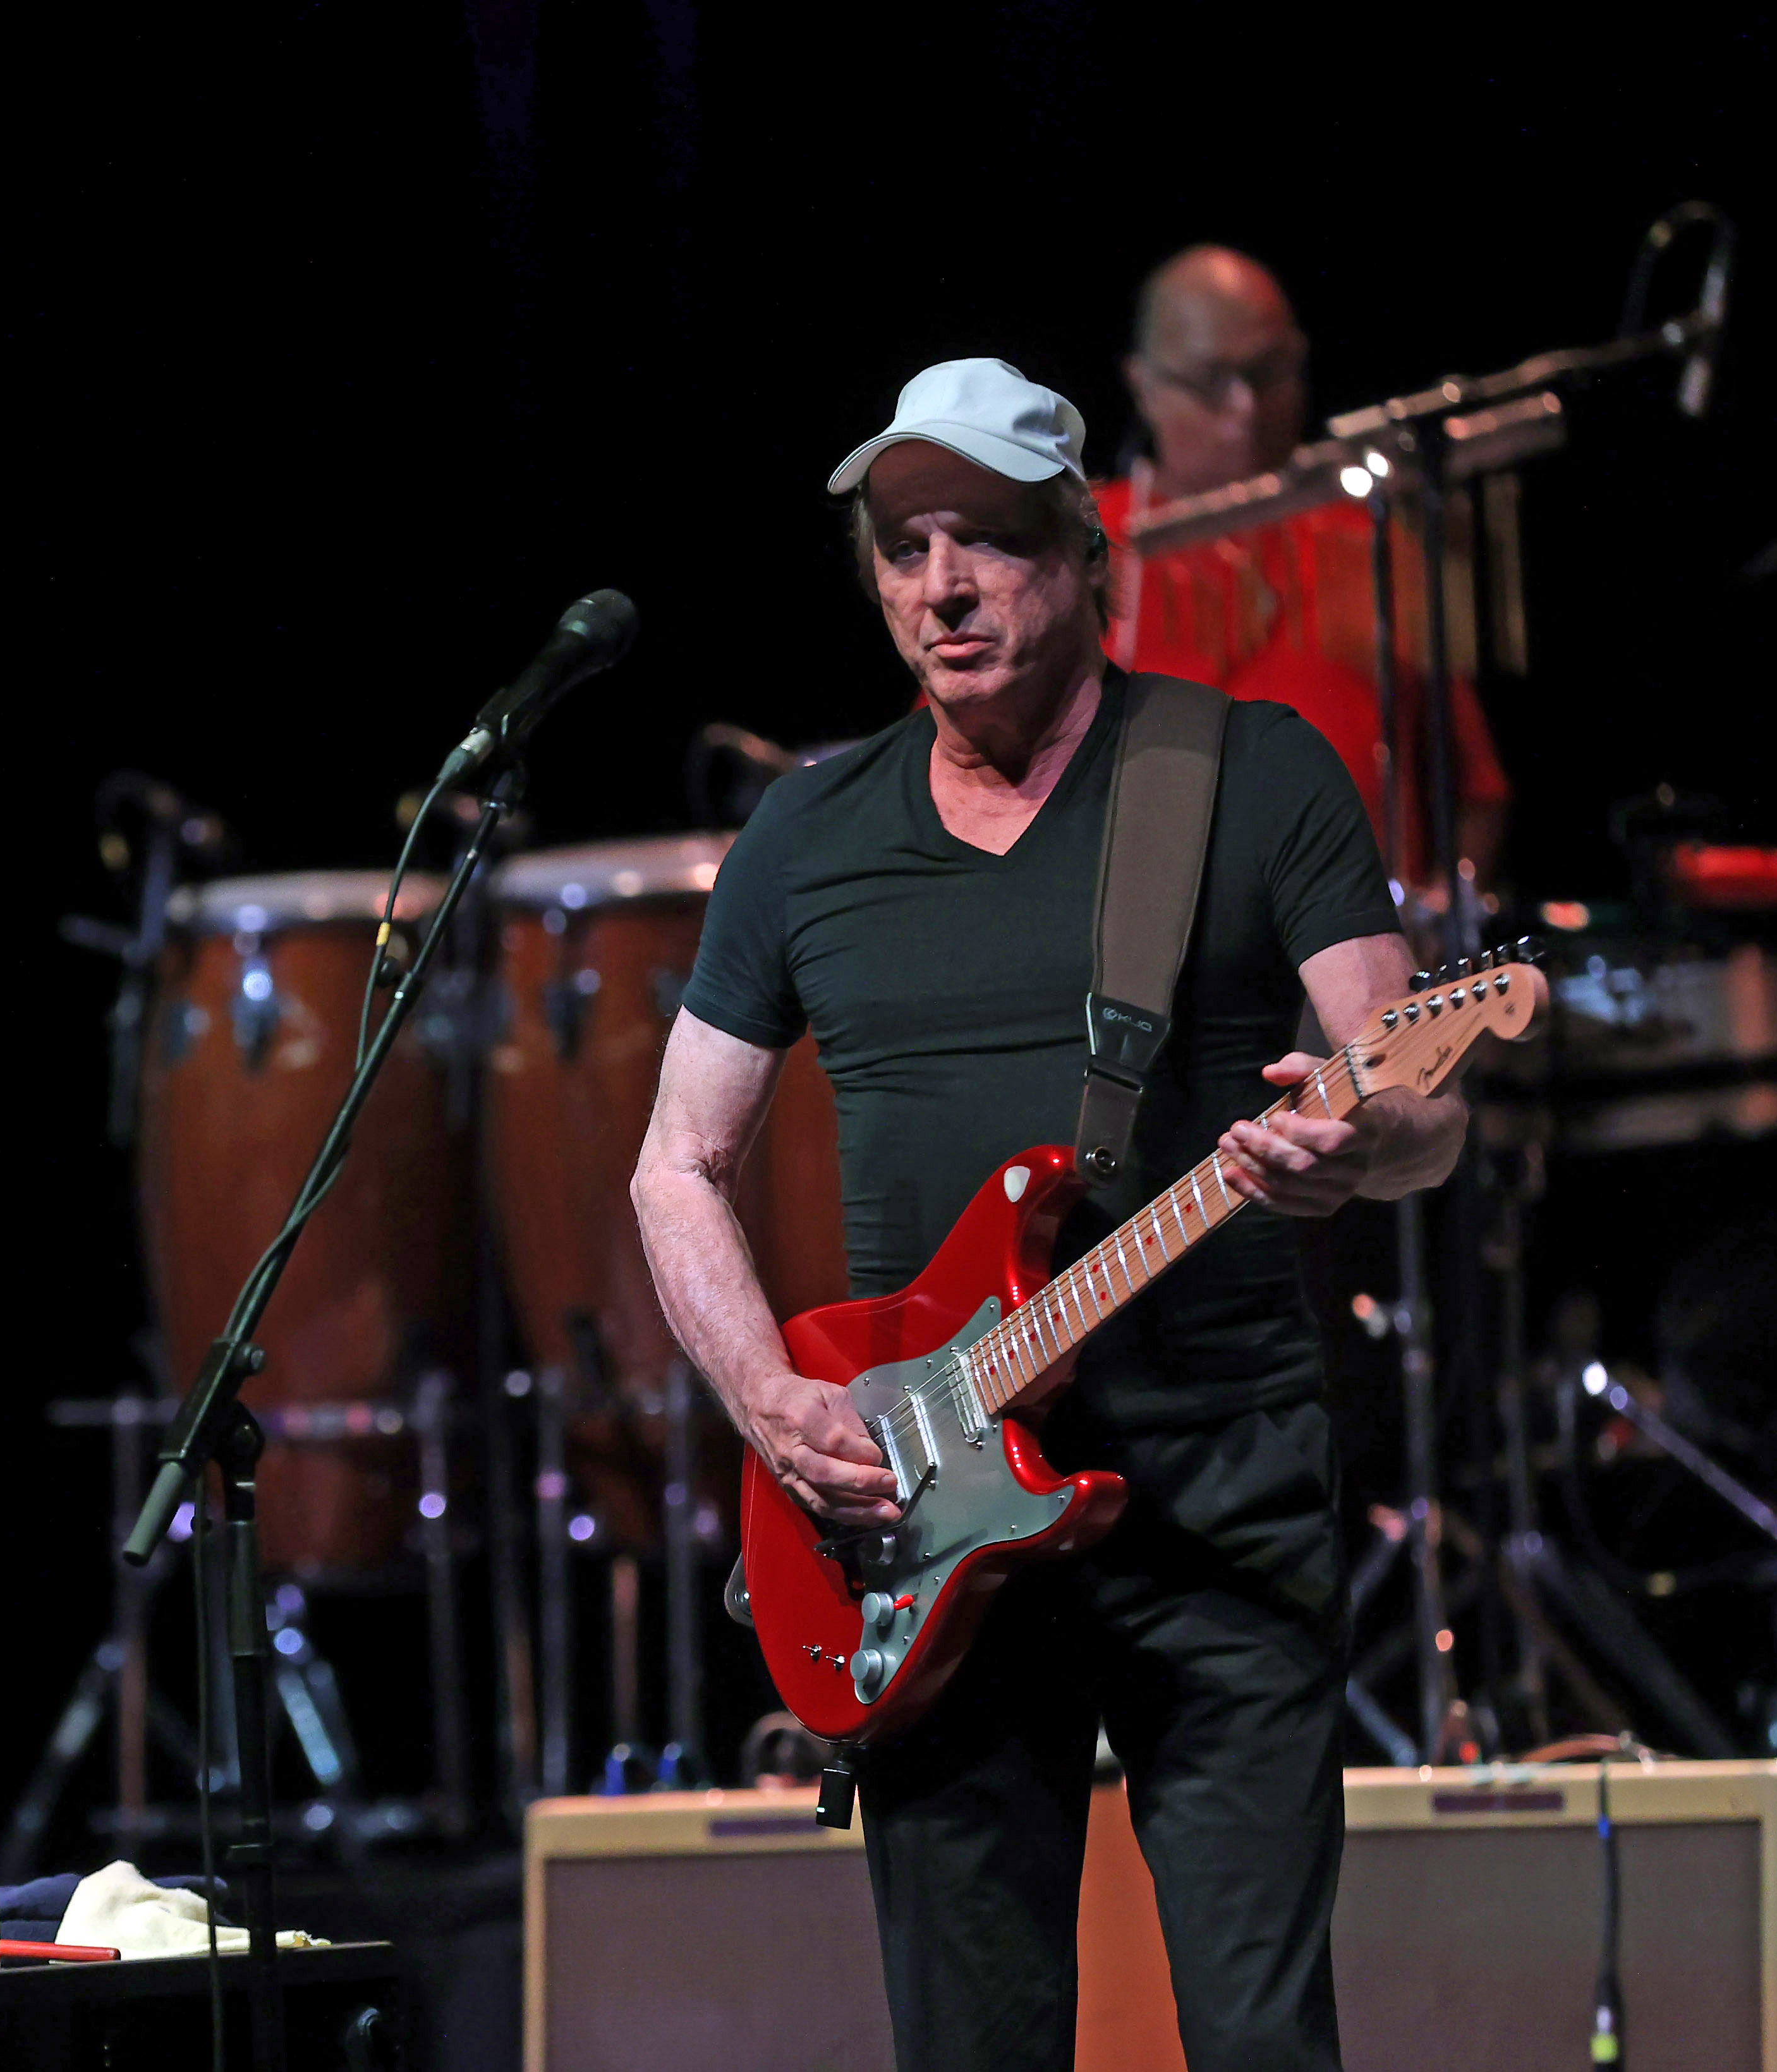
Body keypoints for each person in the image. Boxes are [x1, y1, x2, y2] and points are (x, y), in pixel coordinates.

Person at [634, 360, 1468, 2071]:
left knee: (1255, 2033)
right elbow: (673, 1164)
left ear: (1090, 555)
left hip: (1216, 1500)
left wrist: (1353, 1143)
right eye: (900, 545)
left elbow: (1416, 1095)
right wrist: (764, 1397)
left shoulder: (1245, 774)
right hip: (921, 1526)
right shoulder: (803, 832)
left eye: (989, 540)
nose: (939, 583)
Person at [1104, 244, 1512, 883]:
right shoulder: (1082, 547)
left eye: (1269, 373)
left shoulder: (1374, 537)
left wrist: (1436, 914)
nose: (1246, 410)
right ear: (1144, 386)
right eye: (1213, 382)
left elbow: (1476, 791)